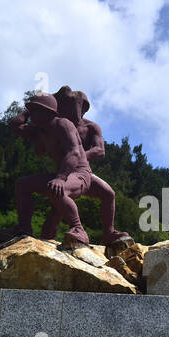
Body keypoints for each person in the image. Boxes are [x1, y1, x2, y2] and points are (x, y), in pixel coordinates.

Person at [39, 86, 129, 244]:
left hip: (82, 172)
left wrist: (79, 157)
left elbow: (100, 151)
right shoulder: (57, 125)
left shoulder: (90, 127)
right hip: (64, 172)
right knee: (58, 204)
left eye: (76, 105)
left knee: (108, 194)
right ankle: (47, 238)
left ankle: (108, 232)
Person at [8, 94, 92, 245]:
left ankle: (79, 229)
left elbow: (74, 152)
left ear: (47, 112)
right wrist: (29, 109)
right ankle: (24, 227)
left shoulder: (63, 124)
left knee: (57, 189)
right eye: (31, 111)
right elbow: (15, 125)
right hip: (63, 173)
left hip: (79, 174)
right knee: (22, 184)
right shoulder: (41, 131)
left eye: (36, 110)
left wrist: (60, 178)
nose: (32, 114)